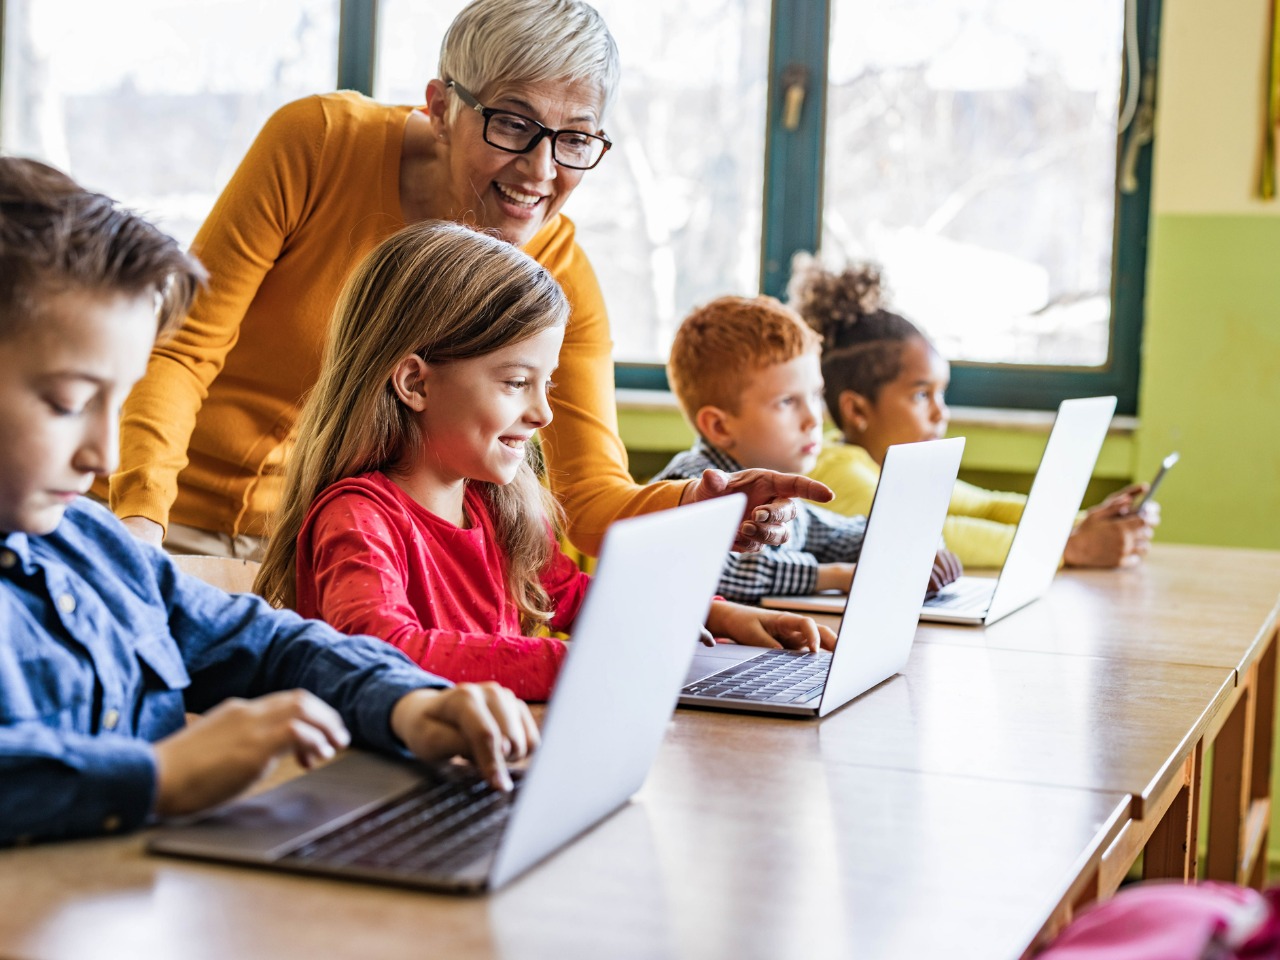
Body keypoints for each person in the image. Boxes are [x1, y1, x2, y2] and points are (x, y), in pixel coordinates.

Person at [96, 0, 828, 563]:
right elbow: (182, 350)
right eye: (512, 124)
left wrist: (699, 504)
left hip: (319, 555)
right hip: (157, 518)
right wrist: (140, 525)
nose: (541, 173)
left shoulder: (560, 275)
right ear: (442, 107)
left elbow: (589, 496)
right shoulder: (318, 144)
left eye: (575, 138)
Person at [0, 157, 536, 847]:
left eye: (121, 401)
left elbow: (268, 644)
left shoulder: (91, 544)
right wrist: (155, 775)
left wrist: (409, 704)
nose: (104, 457)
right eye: (69, 403)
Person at [254, 222, 837, 699]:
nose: (542, 415)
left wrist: (716, 616)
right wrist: (577, 665)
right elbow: (382, 648)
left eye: (546, 385)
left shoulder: (490, 507)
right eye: (514, 382)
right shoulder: (359, 518)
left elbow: (577, 595)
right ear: (414, 382)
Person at [788, 255, 1157, 569]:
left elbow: (988, 507)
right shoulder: (838, 472)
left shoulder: (893, 465)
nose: (940, 414)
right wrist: (1073, 546)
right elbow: (933, 538)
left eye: (941, 394)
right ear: (856, 409)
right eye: (921, 395)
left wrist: (1087, 522)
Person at [653, 295, 962, 608]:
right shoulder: (688, 486)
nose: (814, 418)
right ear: (719, 427)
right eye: (787, 402)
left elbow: (836, 536)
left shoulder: (780, 494)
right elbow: (718, 571)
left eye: (815, 395)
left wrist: (916, 546)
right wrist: (840, 576)